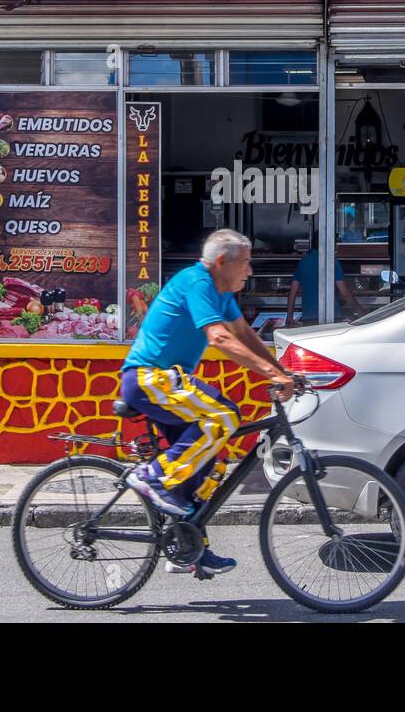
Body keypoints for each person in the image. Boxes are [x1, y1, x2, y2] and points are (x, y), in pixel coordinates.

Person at [120, 228, 295, 576]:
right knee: (224, 415)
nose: (249, 271)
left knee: (209, 463)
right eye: (245, 263)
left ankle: (187, 546)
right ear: (221, 262)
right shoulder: (197, 282)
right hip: (148, 379)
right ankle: (154, 477)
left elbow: (243, 334)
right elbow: (218, 337)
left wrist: (283, 370)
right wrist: (271, 375)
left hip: (168, 385)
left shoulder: (221, 293)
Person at [285, 243, 367, 326]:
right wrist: (357, 308)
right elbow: (344, 292)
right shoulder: (331, 261)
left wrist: (289, 316)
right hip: (332, 316)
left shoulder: (303, 262)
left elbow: (292, 293)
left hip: (308, 317)